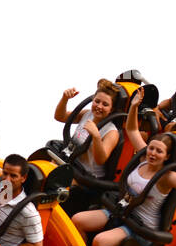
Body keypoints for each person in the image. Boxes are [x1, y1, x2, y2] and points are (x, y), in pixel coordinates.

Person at [73, 93, 176, 246]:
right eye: (151, 148)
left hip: (140, 227)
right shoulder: (143, 158)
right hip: (122, 211)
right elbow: (132, 129)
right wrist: (134, 106)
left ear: (166, 156)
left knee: (100, 241)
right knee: (77, 220)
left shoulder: (166, 176)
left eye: (159, 151)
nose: (152, 153)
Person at [53, 78, 125, 216]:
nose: (99, 106)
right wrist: (64, 99)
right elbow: (60, 116)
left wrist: (96, 136)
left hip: (87, 179)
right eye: (97, 101)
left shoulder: (112, 132)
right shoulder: (87, 114)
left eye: (105, 104)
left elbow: (101, 159)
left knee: (56, 185)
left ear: (112, 109)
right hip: (72, 165)